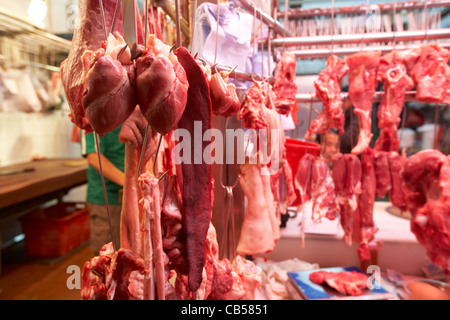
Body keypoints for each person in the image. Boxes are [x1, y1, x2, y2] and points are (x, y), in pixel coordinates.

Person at [81, 126, 125, 254]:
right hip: (106, 198)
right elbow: (94, 156)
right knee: (107, 257)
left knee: (133, 256)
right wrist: (129, 183)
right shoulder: (90, 115)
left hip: (133, 196)